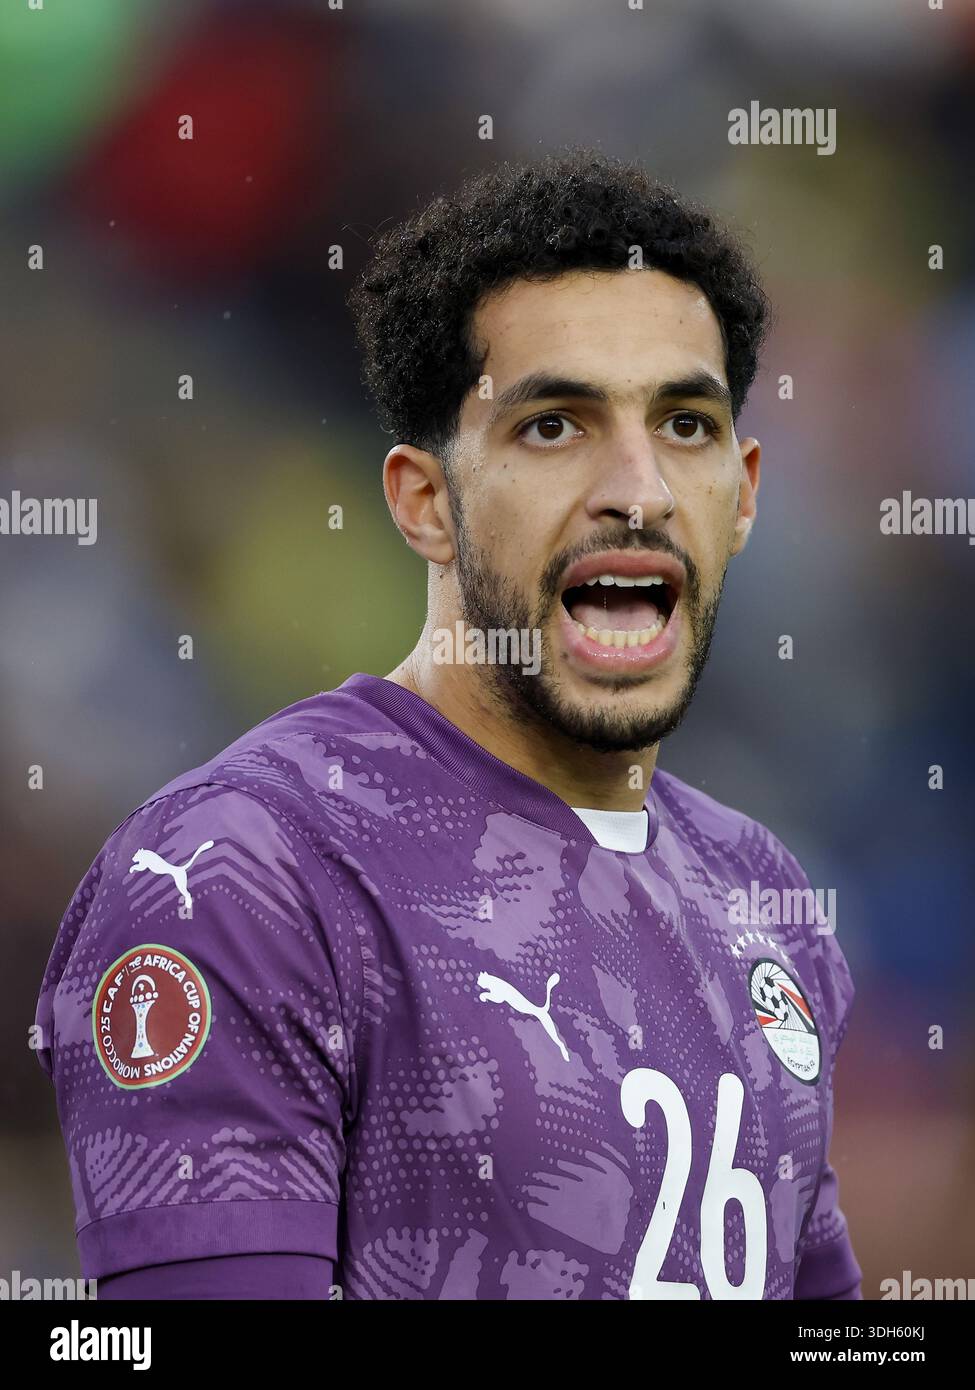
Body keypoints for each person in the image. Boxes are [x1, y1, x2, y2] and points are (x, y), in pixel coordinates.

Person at [35, 147, 861, 1300]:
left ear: (747, 491)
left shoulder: (760, 891)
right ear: (426, 502)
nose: (639, 490)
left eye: (685, 424)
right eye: (554, 426)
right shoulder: (242, 875)